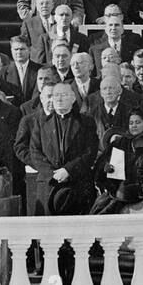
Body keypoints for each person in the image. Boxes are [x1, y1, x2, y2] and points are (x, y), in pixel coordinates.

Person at [26, 82, 97, 215]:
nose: (59, 99)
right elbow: (35, 151)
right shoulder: (41, 122)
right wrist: (52, 174)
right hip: (48, 184)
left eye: (64, 95)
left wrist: (67, 170)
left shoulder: (86, 122)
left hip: (77, 183)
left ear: (73, 98)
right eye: (56, 95)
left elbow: (90, 152)